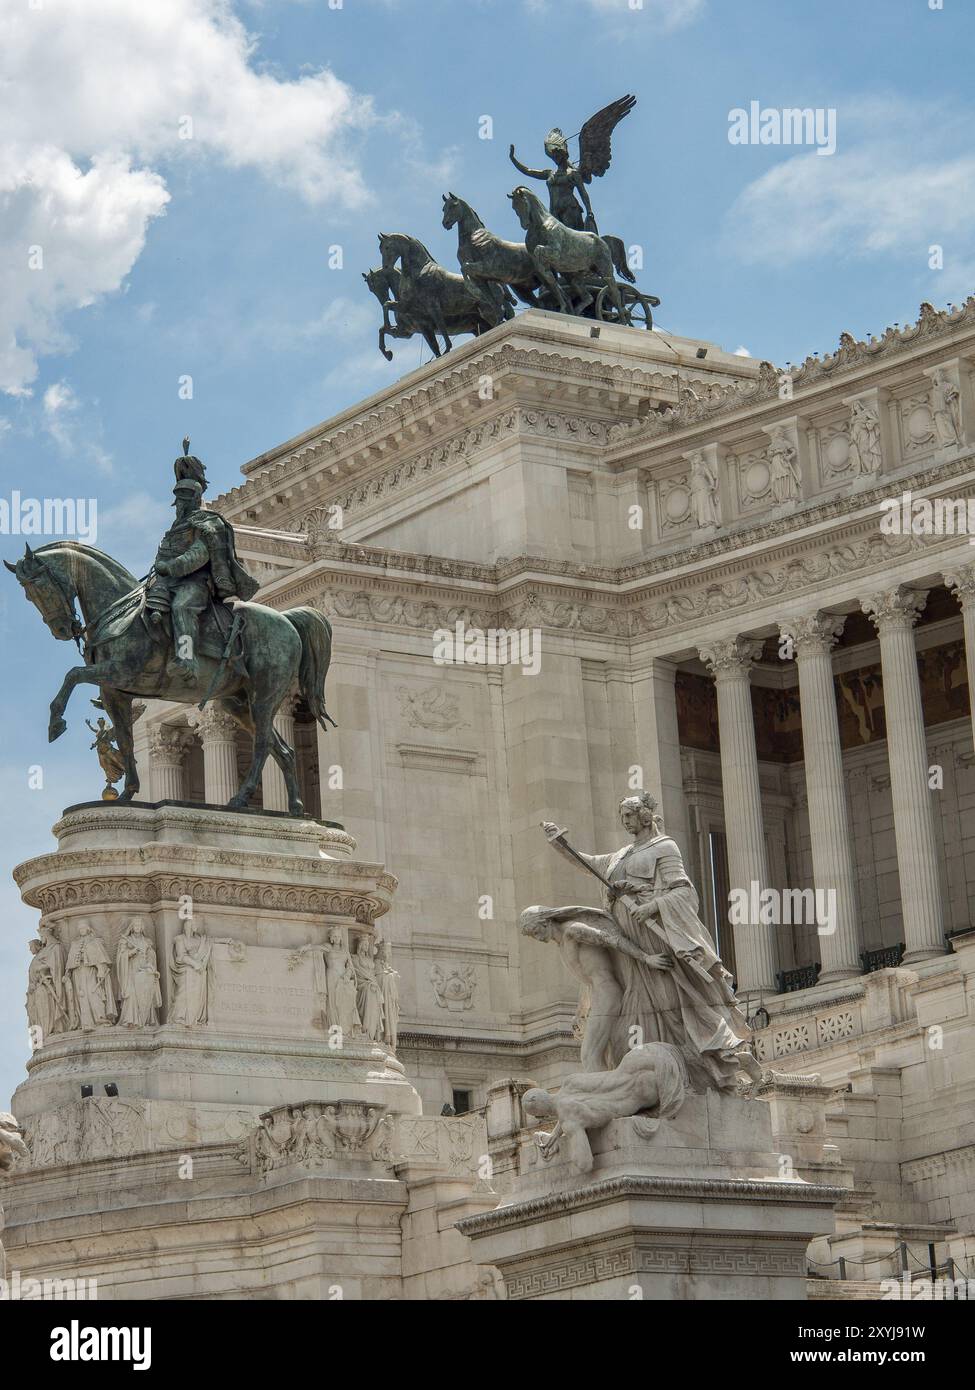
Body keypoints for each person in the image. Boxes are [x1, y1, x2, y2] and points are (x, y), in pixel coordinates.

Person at [540, 792, 762, 1092]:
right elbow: (589, 864)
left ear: (644, 816)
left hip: (657, 937)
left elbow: (684, 892)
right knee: (640, 1007)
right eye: (622, 817)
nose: (625, 821)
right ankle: (652, 1069)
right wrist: (560, 844)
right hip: (631, 947)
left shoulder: (665, 847)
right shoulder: (619, 856)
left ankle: (716, 1059)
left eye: (629, 815)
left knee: (672, 1001)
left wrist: (651, 906)